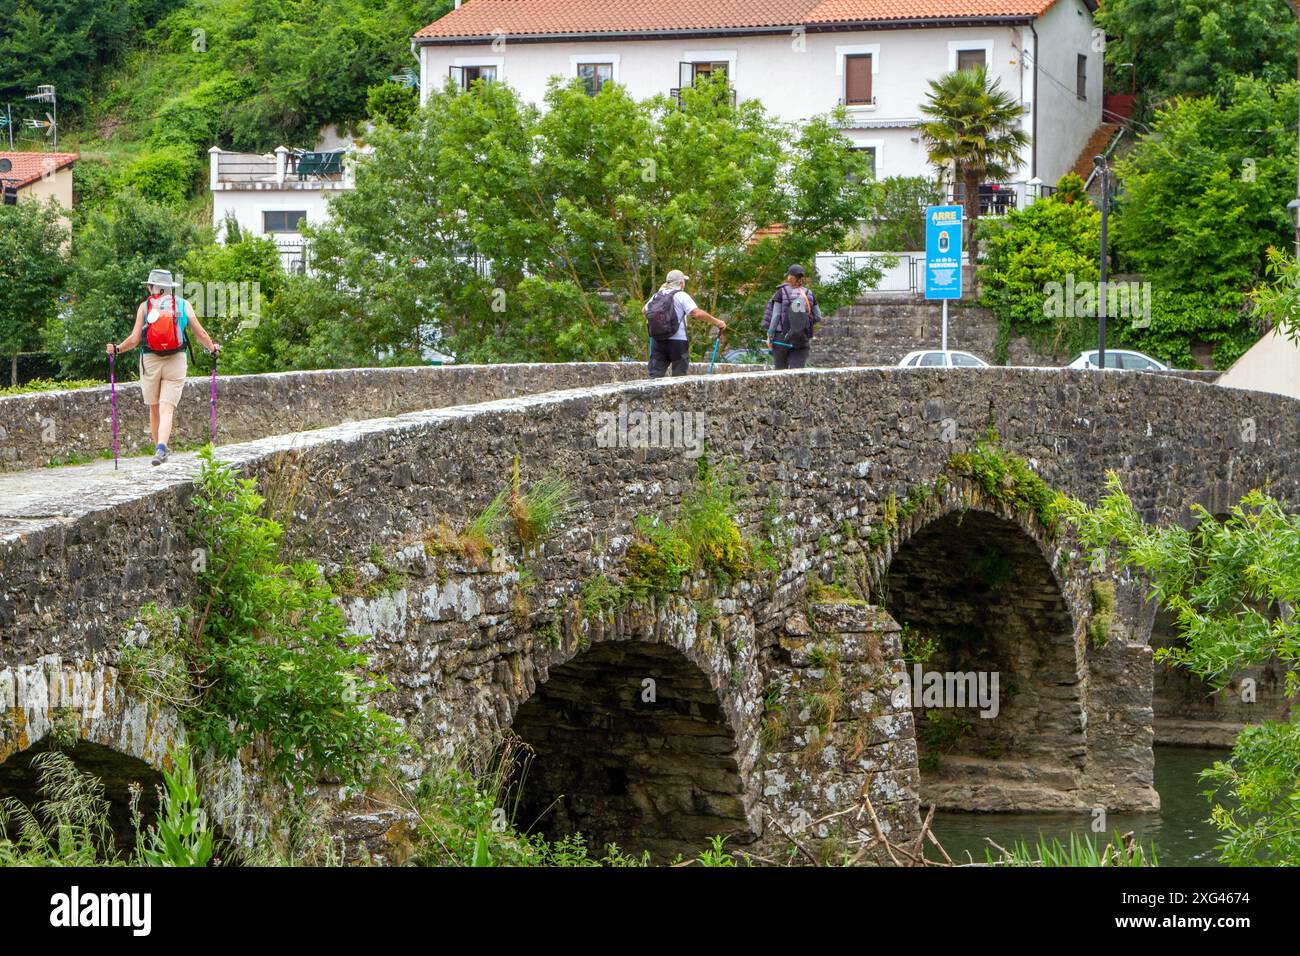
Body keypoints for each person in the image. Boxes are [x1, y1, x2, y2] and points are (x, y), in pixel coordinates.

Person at [107, 269, 220, 466]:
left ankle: (158, 450)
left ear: (152, 287)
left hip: (150, 360)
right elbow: (200, 333)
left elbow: (134, 340)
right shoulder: (183, 305)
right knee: (167, 408)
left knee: (154, 408)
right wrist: (213, 348)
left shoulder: (145, 307)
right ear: (170, 288)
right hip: (176, 360)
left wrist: (117, 349)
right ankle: (161, 448)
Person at [643, 269, 727, 378]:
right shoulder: (681, 295)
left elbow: (644, 311)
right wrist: (718, 322)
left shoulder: (656, 296)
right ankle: (676, 395)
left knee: (655, 375)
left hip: (658, 340)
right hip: (678, 342)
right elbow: (696, 313)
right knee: (679, 376)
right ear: (681, 283)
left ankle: (652, 395)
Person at [764, 264, 822, 370]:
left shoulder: (781, 292)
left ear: (790, 277)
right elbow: (818, 316)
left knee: (780, 373)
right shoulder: (809, 293)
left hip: (781, 338)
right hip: (801, 338)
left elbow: (776, 316)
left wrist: (770, 335)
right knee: (797, 373)